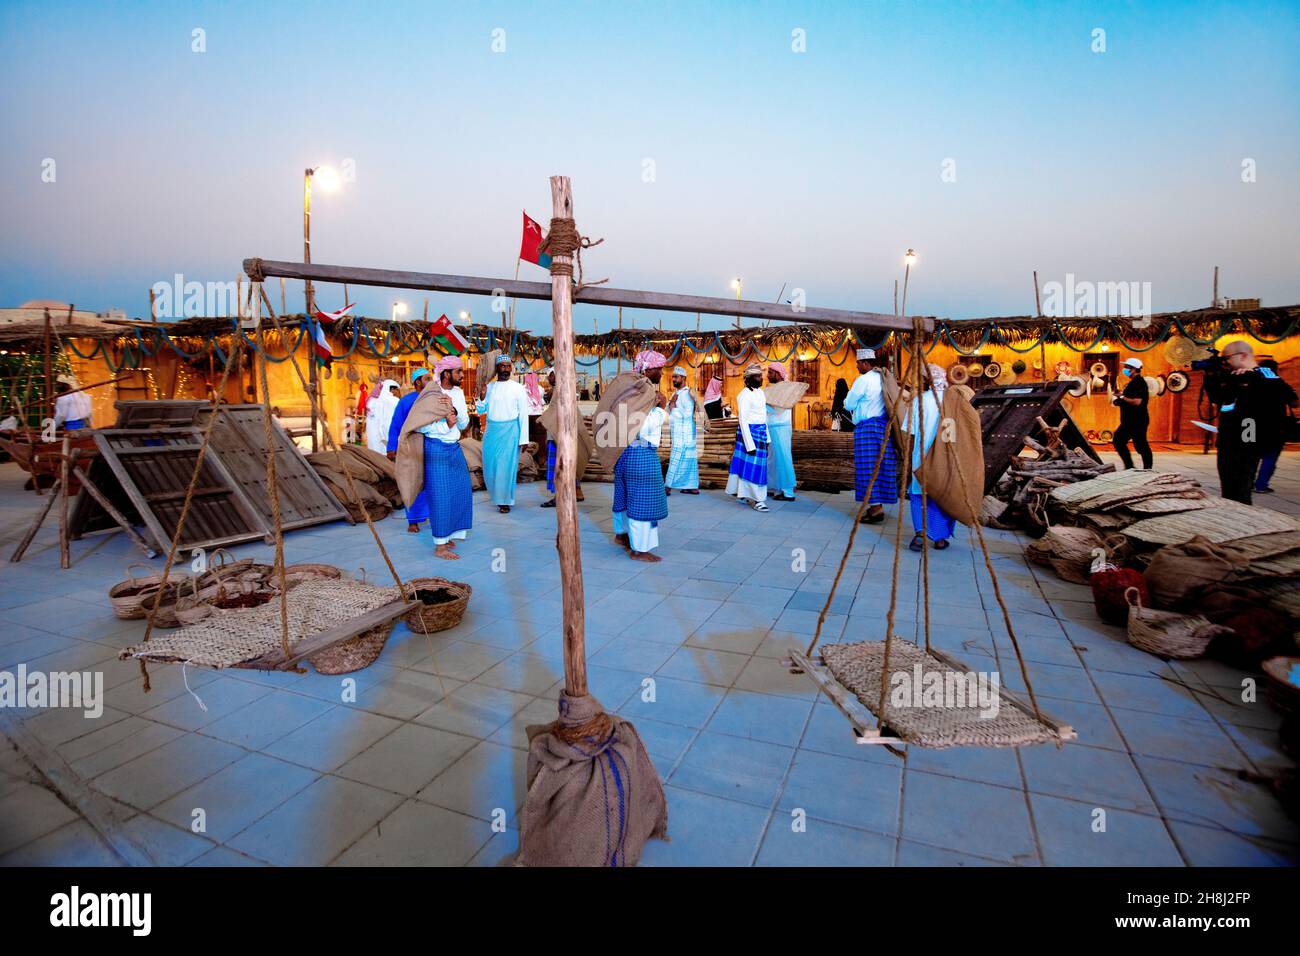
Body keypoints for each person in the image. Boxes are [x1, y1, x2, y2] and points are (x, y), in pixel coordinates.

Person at [394, 357, 471, 560]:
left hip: (454, 448)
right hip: (436, 450)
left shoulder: (458, 393)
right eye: (458, 371)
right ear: (446, 374)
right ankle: (440, 546)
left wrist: (454, 412)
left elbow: (463, 424)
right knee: (441, 496)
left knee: (459, 493)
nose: (462, 375)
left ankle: (448, 536)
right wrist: (444, 425)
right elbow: (419, 425)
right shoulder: (431, 394)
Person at [1207, 340, 1296, 504]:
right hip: (1228, 441)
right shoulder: (1233, 378)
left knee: (1241, 491)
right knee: (1229, 491)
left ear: (1243, 355)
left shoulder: (1265, 374)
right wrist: (1214, 377)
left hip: (1248, 442)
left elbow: (1290, 396)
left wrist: (1252, 378)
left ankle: (1243, 523)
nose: (1225, 363)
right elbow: (1218, 399)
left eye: (1227, 358)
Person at [612, 350, 669, 561]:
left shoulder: (628, 388)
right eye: (658, 369)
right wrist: (663, 409)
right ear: (647, 369)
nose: (661, 373)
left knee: (625, 497)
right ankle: (640, 550)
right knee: (643, 501)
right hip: (641, 452)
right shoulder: (642, 391)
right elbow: (642, 427)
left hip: (624, 452)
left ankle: (622, 535)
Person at [902, 365, 955, 551]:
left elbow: (910, 434)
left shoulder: (918, 402)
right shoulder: (953, 402)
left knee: (917, 494)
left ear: (927, 381)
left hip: (920, 458)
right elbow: (956, 435)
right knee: (941, 496)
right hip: (946, 459)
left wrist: (908, 460)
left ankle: (920, 534)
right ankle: (940, 539)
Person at [844, 348, 899, 523]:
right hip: (883, 428)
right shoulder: (883, 378)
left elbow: (849, 404)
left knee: (867, 468)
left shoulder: (863, 380)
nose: (857, 367)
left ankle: (875, 509)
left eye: (858, 364)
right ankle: (877, 505)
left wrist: (851, 402)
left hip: (867, 429)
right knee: (881, 466)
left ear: (865, 363)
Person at [476, 355, 530, 513]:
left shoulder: (518, 388)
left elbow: (523, 414)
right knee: (491, 466)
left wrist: (524, 439)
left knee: (506, 467)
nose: (505, 369)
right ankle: (496, 496)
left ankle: (505, 501)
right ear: (497, 368)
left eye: (508, 366)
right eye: (502, 366)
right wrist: (482, 396)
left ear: (511, 368)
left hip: (510, 431)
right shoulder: (490, 387)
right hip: (492, 431)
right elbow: (480, 410)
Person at [386, 368, 431, 531]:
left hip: (431, 444)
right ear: (417, 382)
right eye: (427, 378)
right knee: (412, 481)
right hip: (411, 445)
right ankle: (413, 521)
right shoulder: (405, 401)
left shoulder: (433, 399)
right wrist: (391, 447)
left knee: (431, 482)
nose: (430, 381)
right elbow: (395, 425)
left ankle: (432, 515)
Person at [540, 367, 587, 507]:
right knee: (570, 463)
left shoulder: (559, 390)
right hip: (568, 434)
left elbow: (554, 412)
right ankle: (577, 492)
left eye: (551, 375)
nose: (550, 378)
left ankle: (558, 496)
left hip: (558, 435)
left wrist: (543, 419)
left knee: (557, 465)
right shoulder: (565, 389)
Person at [726, 364, 770, 512]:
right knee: (753, 468)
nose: (761, 378)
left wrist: (768, 438)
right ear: (749, 379)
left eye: (761, 375)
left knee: (750, 466)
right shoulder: (744, 395)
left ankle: (743, 494)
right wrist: (749, 445)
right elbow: (743, 421)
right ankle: (759, 500)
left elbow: (764, 417)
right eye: (757, 376)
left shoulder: (761, 393)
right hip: (749, 435)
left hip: (761, 434)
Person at [1255, 359, 1298, 494]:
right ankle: (1261, 485)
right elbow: (1295, 403)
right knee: (1270, 456)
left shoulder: (1252, 383)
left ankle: (1247, 482)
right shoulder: (1280, 384)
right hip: (1275, 426)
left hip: (1250, 425)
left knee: (1249, 454)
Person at [665, 366, 705, 495]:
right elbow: (667, 411)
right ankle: (691, 486)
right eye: (673, 377)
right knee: (687, 458)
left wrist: (673, 407)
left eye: (676, 377)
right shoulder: (674, 394)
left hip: (685, 431)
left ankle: (668, 486)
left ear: (683, 378)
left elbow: (687, 414)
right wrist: (671, 406)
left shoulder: (688, 393)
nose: (674, 379)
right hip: (677, 431)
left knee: (679, 457)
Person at [1111, 357, 1153, 470]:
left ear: (1134, 369)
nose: (1124, 369)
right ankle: (1130, 466)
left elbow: (1137, 401)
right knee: (1119, 440)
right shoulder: (1133, 382)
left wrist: (1122, 397)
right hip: (1129, 421)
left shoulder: (1139, 382)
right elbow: (1129, 399)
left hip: (1137, 421)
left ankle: (1147, 469)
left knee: (1140, 445)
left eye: (1127, 367)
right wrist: (1120, 399)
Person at [765, 362, 797, 501]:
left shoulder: (786, 388)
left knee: (783, 458)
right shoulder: (776, 387)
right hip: (773, 427)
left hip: (780, 427)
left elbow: (779, 408)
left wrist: (762, 405)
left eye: (770, 373)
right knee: (772, 459)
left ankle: (788, 491)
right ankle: (774, 487)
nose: (768, 375)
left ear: (778, 374)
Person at [364, 379, 401, 453]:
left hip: (375, 440)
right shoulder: (394, 401)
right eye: (398, 390)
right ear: (392, 390)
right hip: (390, 437)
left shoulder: (373, 402)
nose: (399, 393)